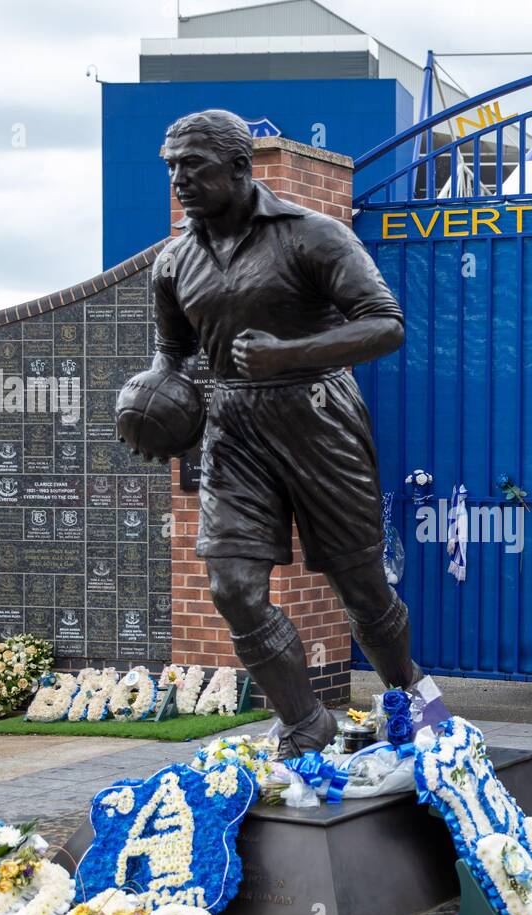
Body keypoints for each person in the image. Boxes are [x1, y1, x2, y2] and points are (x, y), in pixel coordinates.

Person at [146, 109, 414, 758]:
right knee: (232, 587)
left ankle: (417, 700)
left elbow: (386, 324)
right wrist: (150, 404)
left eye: (194, 165)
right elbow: (171, 359)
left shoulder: (312, 236)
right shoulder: (173, 262)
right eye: (171, 166)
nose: (179, 178)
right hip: (233, 431)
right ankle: (305, 723)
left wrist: (289, 354)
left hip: (319, 417)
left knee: (363, 587)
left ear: (240, 169)